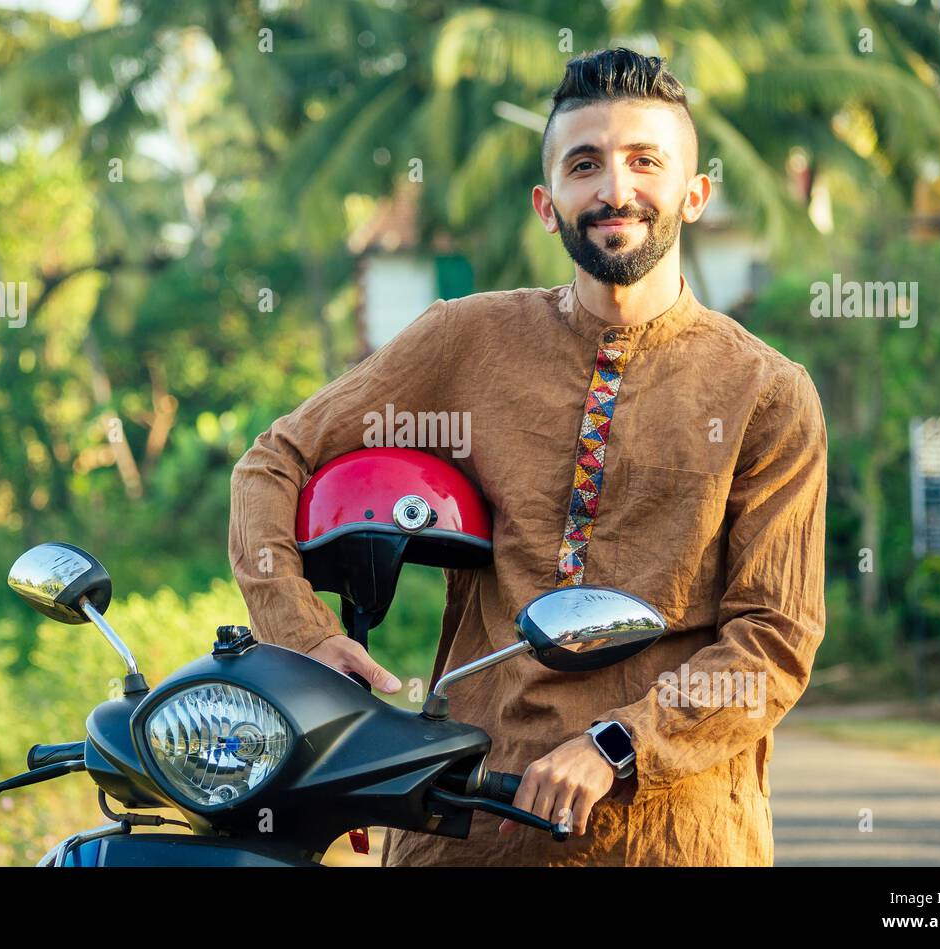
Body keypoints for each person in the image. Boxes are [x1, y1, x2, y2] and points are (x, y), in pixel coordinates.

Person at [228, 48, 827, 866]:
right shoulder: (464, 340)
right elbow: (275, 461)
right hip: (460, 825)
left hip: (675, 839)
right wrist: (301, 635)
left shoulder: (767, 392)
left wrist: (618, 745)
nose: (615, 189)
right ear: (548, 204)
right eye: (586, 165)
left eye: (644, 161)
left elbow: (773, 638)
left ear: (695, 194)